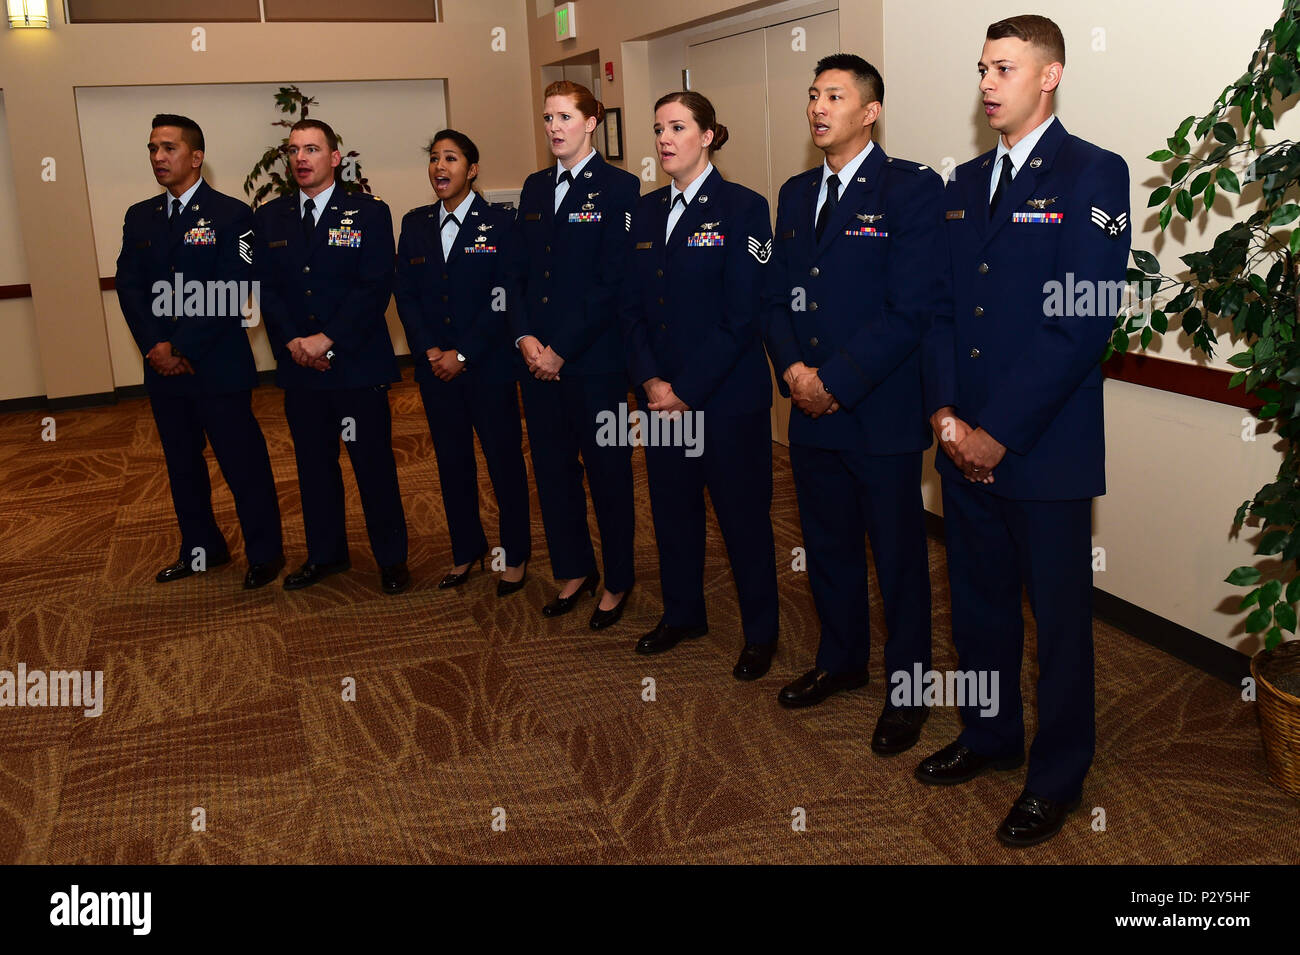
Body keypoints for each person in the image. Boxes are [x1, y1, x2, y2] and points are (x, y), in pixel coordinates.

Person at [918, 15, 1130, 847]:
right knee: (977, 609)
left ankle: (1057, 774)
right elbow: (940, 312)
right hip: (961, 442)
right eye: (981, 68)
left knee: (1059, 623)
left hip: (1042, 449)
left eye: (1003, 68)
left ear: (1051, 75)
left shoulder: (1093, 174)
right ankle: (990, 735)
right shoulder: (963, 183)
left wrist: (996, 430)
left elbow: (1079, 322)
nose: (986, 83)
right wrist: (944, 415)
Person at [764, 55, 937, 755]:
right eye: (812, 94)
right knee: (828, 548)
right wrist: (796, 372)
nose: (817, 106)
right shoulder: (796, 190)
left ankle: (909, 692)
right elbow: (775, 297)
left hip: (879, 413)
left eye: (834, 95)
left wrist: (835, 378)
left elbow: (910, 308)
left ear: (869, 112)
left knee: (898, 560)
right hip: (809, 412)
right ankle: (840, 659)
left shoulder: (909, 189)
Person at [621, 91, 779, 676]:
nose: (664, 139)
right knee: (672, 511)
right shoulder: (643, 210)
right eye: (658, 128)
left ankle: (761, 632)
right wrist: (651, 381)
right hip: (661, 400)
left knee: (743, 519)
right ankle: (683, 612)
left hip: (724, 400)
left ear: (708, 135)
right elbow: (630, 308)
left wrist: (683, 389)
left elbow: (744, 315)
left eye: (678, 127)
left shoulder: (743, 208)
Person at [115, 113, 284, 589]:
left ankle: (265, 554)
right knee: (182, 466)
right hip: (164, 371)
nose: (158, 157)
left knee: (242, 463)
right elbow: (130, 286)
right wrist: (155, 345)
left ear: (196, 156)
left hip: (217, 366)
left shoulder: (235, 216)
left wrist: (181, 344)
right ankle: (201, 550)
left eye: (168, 148)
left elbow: (237, 284)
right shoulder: (139, 216)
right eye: (152, 149)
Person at [253, 118, 411, 595]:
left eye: (312, 149)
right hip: (301, 371)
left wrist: (327, 340)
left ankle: (391, 560)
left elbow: (374, 286)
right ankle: (326, 555)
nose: (301, 158)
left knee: (373, 467)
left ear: (334, 159)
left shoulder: (368, 213)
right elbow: (268, 289)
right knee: (313, 469)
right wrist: (296, 345)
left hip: (356, 367)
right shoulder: (270, 217)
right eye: (294, 150)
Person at [508, 81, 639, 628]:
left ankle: (618, 578)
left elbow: (612, 282)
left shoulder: (620, 187)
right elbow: (514, 272)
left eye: (565, 116)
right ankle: (574, 569)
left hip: (594, 364)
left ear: (592, 122)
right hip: (537, 363)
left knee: (607, 474)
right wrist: (524, 338)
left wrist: (561, 349)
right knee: (554, 473)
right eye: (547, 117)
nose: (554, 127)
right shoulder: (535, 187)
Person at [394, 129, 529, 596]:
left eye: (450, 159)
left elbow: (503, 297)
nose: (439, 168)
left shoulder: (501, 224)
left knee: (503, 462)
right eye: (433, 159)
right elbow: (406, 296)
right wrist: (431, 351)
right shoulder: (414, 224)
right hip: (436, 371)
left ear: (471, 169)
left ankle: (514, 556)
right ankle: (465, 550)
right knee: (452, 464)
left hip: (488, 367)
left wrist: (464, 353)